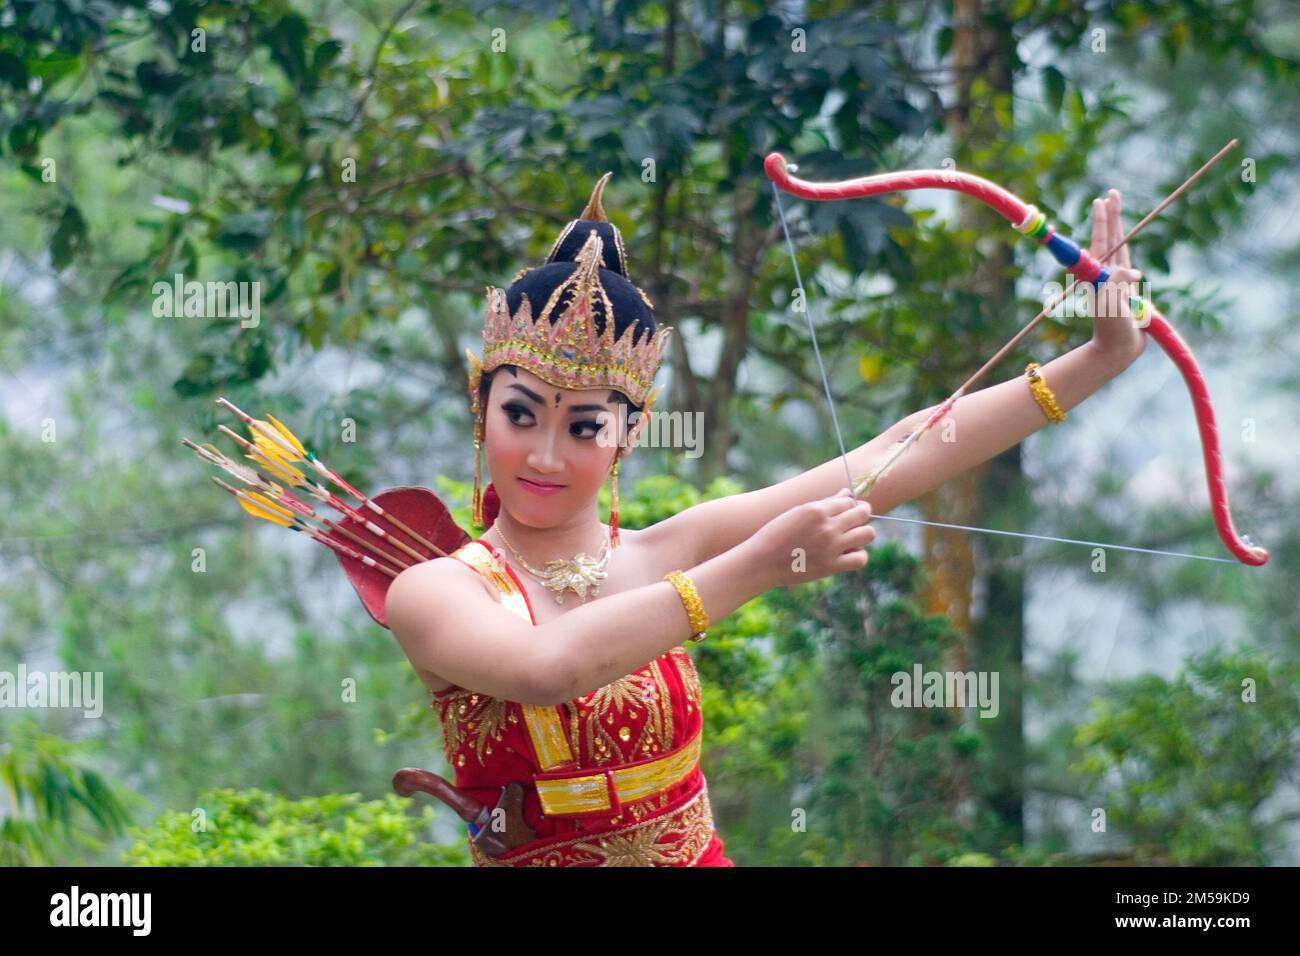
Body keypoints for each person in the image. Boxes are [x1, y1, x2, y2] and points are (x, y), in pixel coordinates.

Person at [383, 175, 1144, 866]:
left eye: (584, 427)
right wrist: (758, 566)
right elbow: (547, 671)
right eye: (521, 415)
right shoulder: (436, 591)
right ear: (481, 408)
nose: (546, 456)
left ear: (629, 436)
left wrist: (1100, 356)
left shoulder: (665, 549)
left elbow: (895, 453)